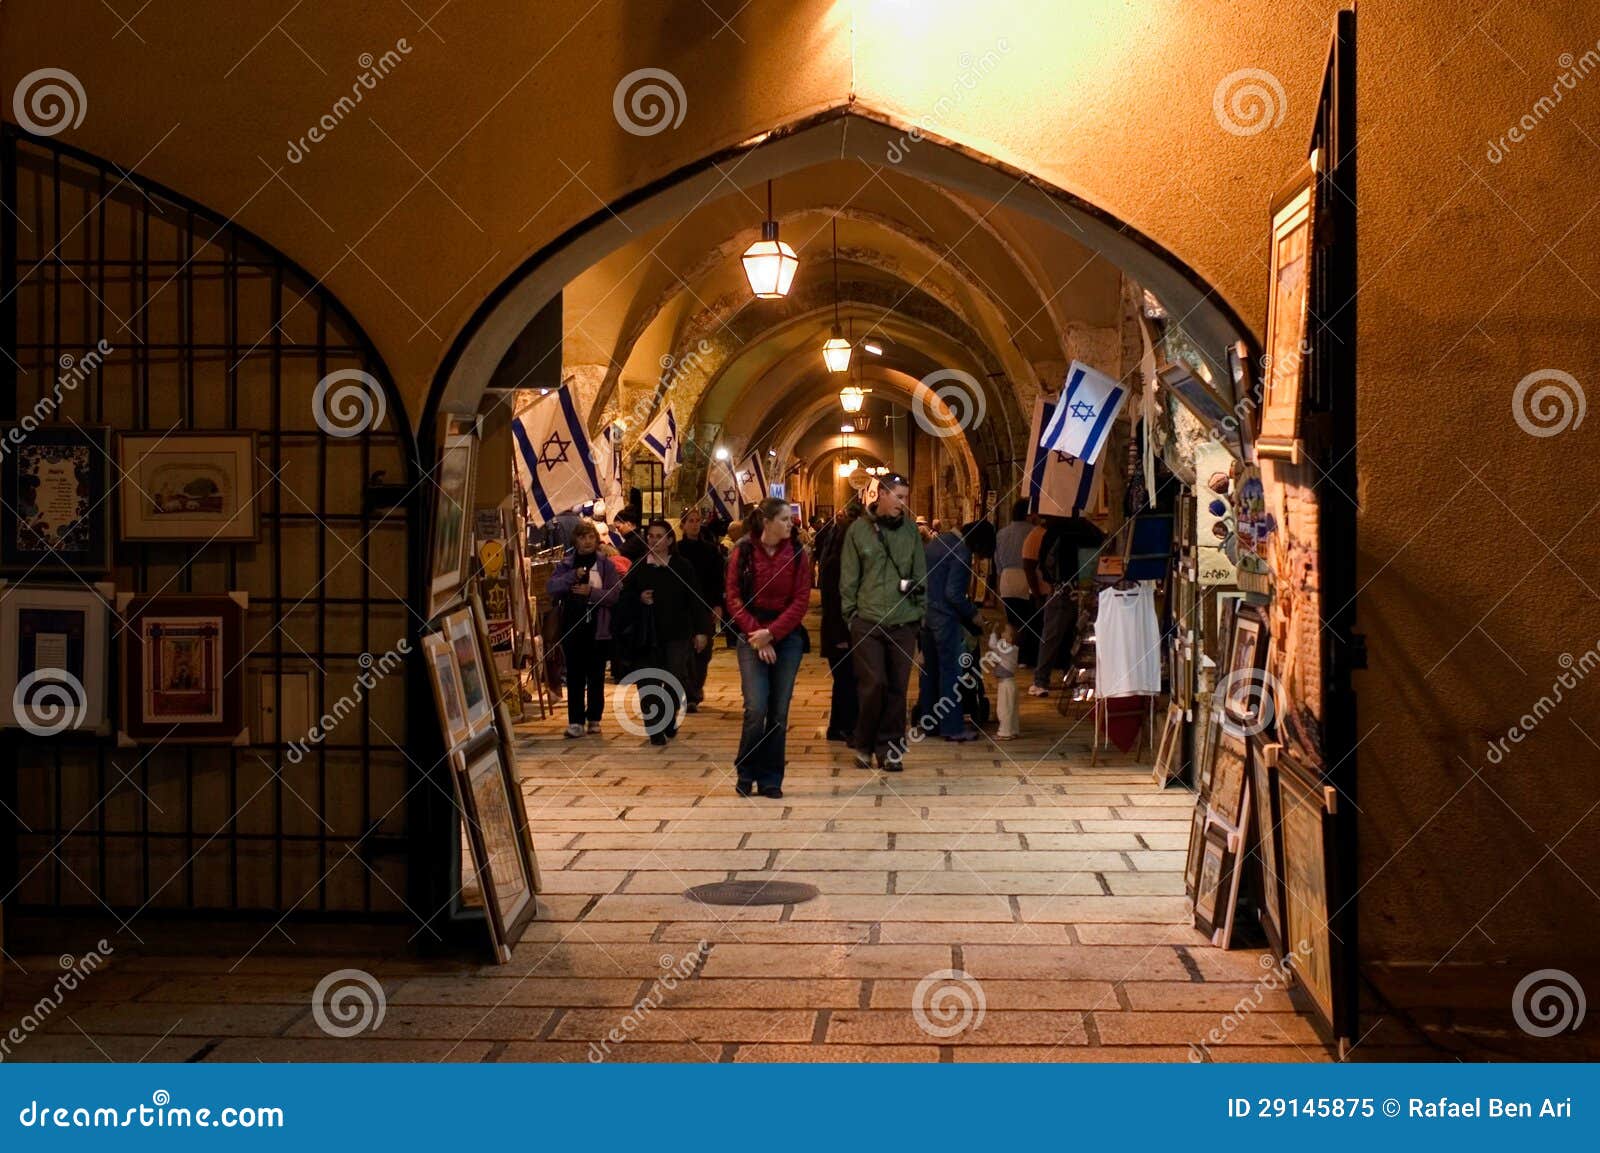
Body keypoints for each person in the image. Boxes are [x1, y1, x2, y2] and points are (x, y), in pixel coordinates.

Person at [724, 497, 812, 798]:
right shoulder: (743, 551)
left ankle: (771, 777)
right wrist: (756, 635)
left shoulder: (797, 554)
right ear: (767, 522)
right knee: (756, 707)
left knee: (778, 712)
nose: (791, 524)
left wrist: (772, 634)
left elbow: (801, 600)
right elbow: (733, 596)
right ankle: (746, 770)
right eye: (785, 519)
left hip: (786, 637)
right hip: (751, 633)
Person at [841, 474, 926, 772]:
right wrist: (851, 616)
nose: (903, 504)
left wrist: (920, 614)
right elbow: (848, 577)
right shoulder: (858, 531)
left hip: (904, 622)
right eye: (899, 497)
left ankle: (890, 749)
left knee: (897, 689)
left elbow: (920, 574)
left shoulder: (911, 532)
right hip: (868, 620)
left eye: (906, 498)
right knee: (874, 684)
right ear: (883, 495)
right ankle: (864, 743)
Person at [615, 519, 711, 745]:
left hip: (677, 633)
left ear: (669, 540)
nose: (654, 540)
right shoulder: (639, 566)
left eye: (659, 536)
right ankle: (655, 727)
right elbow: (623, 597)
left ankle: (668, 716)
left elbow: (695, 599)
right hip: (647, 635)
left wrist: (701, 631)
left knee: (675, 678)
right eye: (650, 536)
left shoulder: (682, 566)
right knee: (648, 681)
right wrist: (639, 598)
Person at [918, 519, 996, 741]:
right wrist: (973, 614)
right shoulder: (961, 552)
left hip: (926, 615)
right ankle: (952, 727)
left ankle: (929, 722)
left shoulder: (937, 542)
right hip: (945, 618)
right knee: (951, 671)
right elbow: (953, 593)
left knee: (929, 671)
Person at [546, 520, 622, 738]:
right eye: (582, 537)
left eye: (590, 537)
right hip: (573, 626)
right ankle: (576, 721)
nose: (587, 541)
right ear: (575, 540)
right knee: (575, 675)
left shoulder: (605, 564)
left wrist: (591, 593)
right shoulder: (566, 564)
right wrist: (572, 576)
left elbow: (614, 594)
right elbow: (551, 587)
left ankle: (594, 717)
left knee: (596, 675)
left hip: (598, 627)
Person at [1030, 514, 1106, 695]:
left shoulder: (1055, 531)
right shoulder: (1087, 528)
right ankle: (1077, 678)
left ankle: (1041, 681)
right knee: (1080, 635)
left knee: (1051, 636)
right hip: (1088, 588)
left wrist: (1050, 581)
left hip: (1062, 589)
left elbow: (1045, 563)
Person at [818, 500, 863, 741]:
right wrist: (840, 636)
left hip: (844, 631)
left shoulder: (837, 562)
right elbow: (833, 602)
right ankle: (846, 727)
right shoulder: (837, 566)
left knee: (846, 679)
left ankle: (839, 726)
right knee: (848, 679)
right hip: (840, 632)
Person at [674, 506, 725, 713]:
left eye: (697, 521)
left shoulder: (711, 550)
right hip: (682, 607)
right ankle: (690, 694)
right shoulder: (677, 550)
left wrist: (718, 604)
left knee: (703, 651)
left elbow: (717, 579)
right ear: (683, 525)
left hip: (705, 604)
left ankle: (696, 687)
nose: (695, 525)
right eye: (691, 521)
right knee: (685, 651)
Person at [994, 499, 1036, 663]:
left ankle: (1011, 654)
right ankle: (1026, 657)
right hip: (1026, 576)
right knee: (1028, 619)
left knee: (1012, 620)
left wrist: (1001, 574)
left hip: (1007, 578)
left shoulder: (1001, 533)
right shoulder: (1033, 531)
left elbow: (997, 559)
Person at [989, 621, 1020, 740]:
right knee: (1012, 709)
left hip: (1006, 684)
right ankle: (1013, 730)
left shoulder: (1007, 648)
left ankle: (1004, 733)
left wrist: (993, 632)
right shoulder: (1010, 649)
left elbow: (993, 645)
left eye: (1005, 632)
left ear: (1011, 638)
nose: (1002, 633)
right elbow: (996, 652)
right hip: (1009, 683)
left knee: (1004, 709)